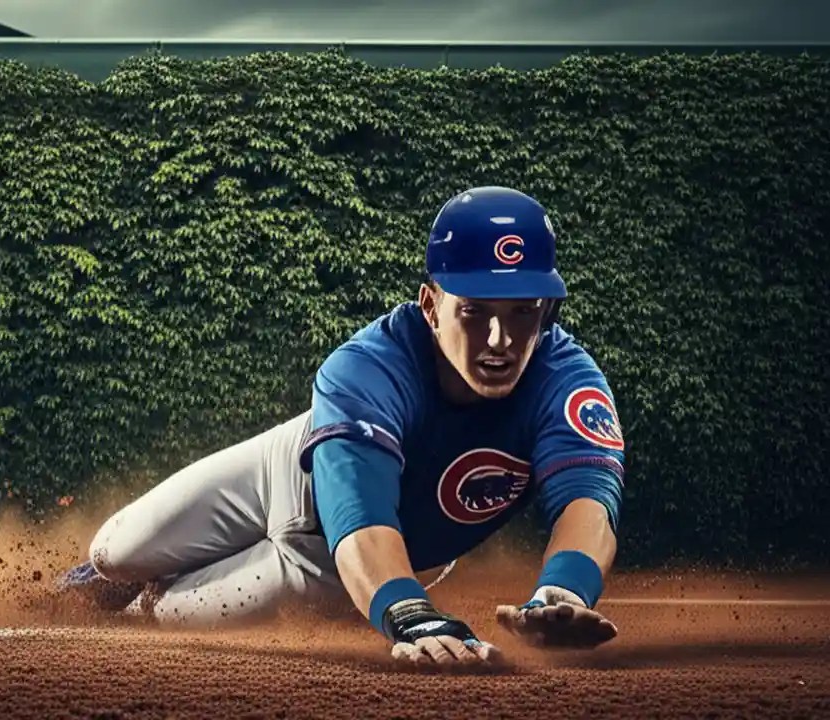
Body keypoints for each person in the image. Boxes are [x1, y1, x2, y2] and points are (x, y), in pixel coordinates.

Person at [56, 186, 624, 670]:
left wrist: (565, 589)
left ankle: (139, 605)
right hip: (284, 477)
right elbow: (359, 507)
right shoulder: (369, 365)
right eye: (476, 311)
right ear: (431, 305)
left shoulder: (567, 383)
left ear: (547, 313)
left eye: (523, 311)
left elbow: (587, 503)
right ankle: (98, 584)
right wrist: (409, 612)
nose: (500, 340)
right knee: (115, 549)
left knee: (166, 613)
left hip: (327, 571)